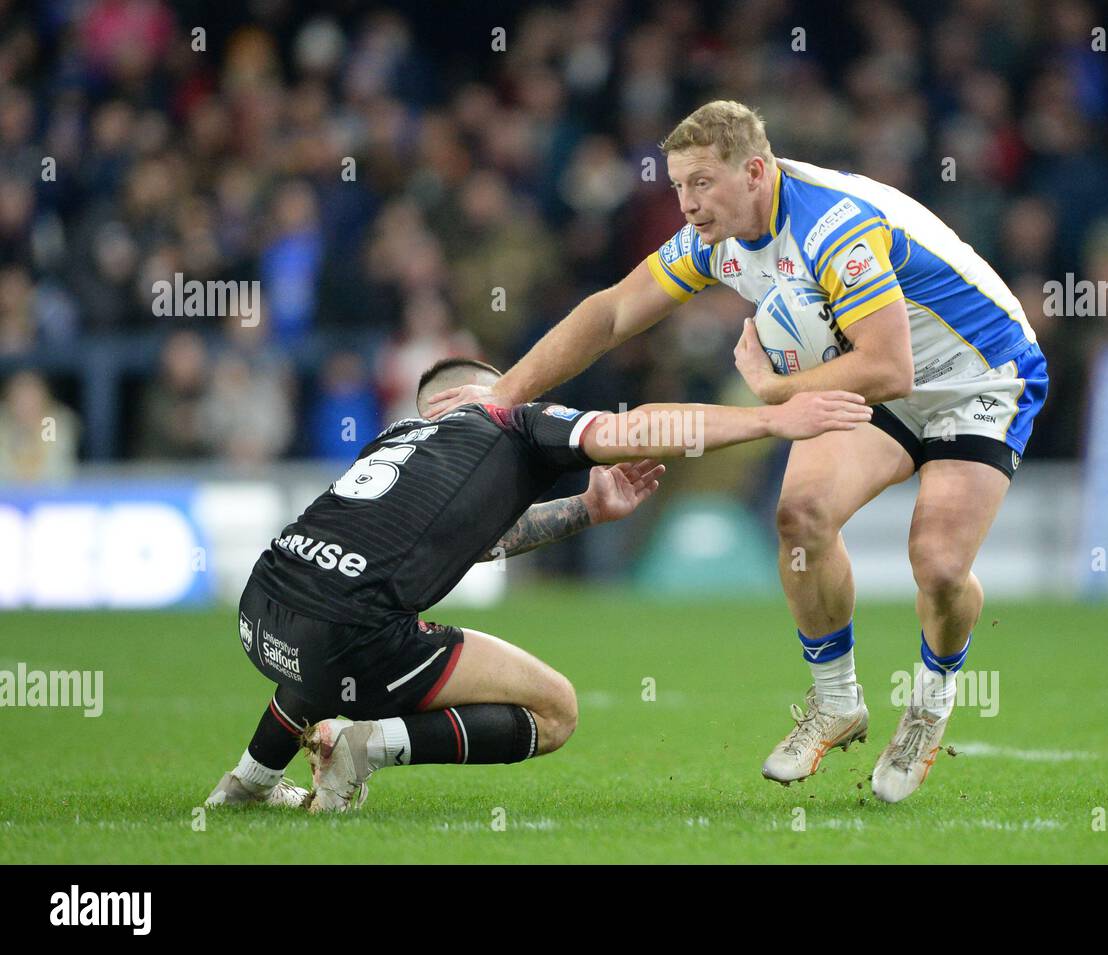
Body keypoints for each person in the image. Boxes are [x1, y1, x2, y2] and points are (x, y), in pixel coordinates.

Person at [422, 101, 1050, 804]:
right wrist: (502, 395)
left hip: (977, 373)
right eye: (677, 186)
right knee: (801, 515)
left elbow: (890, 369)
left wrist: (770, 386)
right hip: (870, 372)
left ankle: (930, 703)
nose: (686, 204)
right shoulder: (713, 237)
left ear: (755, 172)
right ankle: (837, 701)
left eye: (701, 184)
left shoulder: (832, 229)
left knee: (937, 566)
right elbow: (613, 312)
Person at [205, 356, 869, 812]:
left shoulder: (394, 440)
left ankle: (248, 781)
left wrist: (588, 508)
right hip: (344, 640)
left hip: (258, 616)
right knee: (557, 710)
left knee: (331, 615)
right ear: (498, 389)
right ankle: (364, 747)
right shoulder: (512, 421)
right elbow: (640, 428)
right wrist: (767, 421)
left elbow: (477, 542)